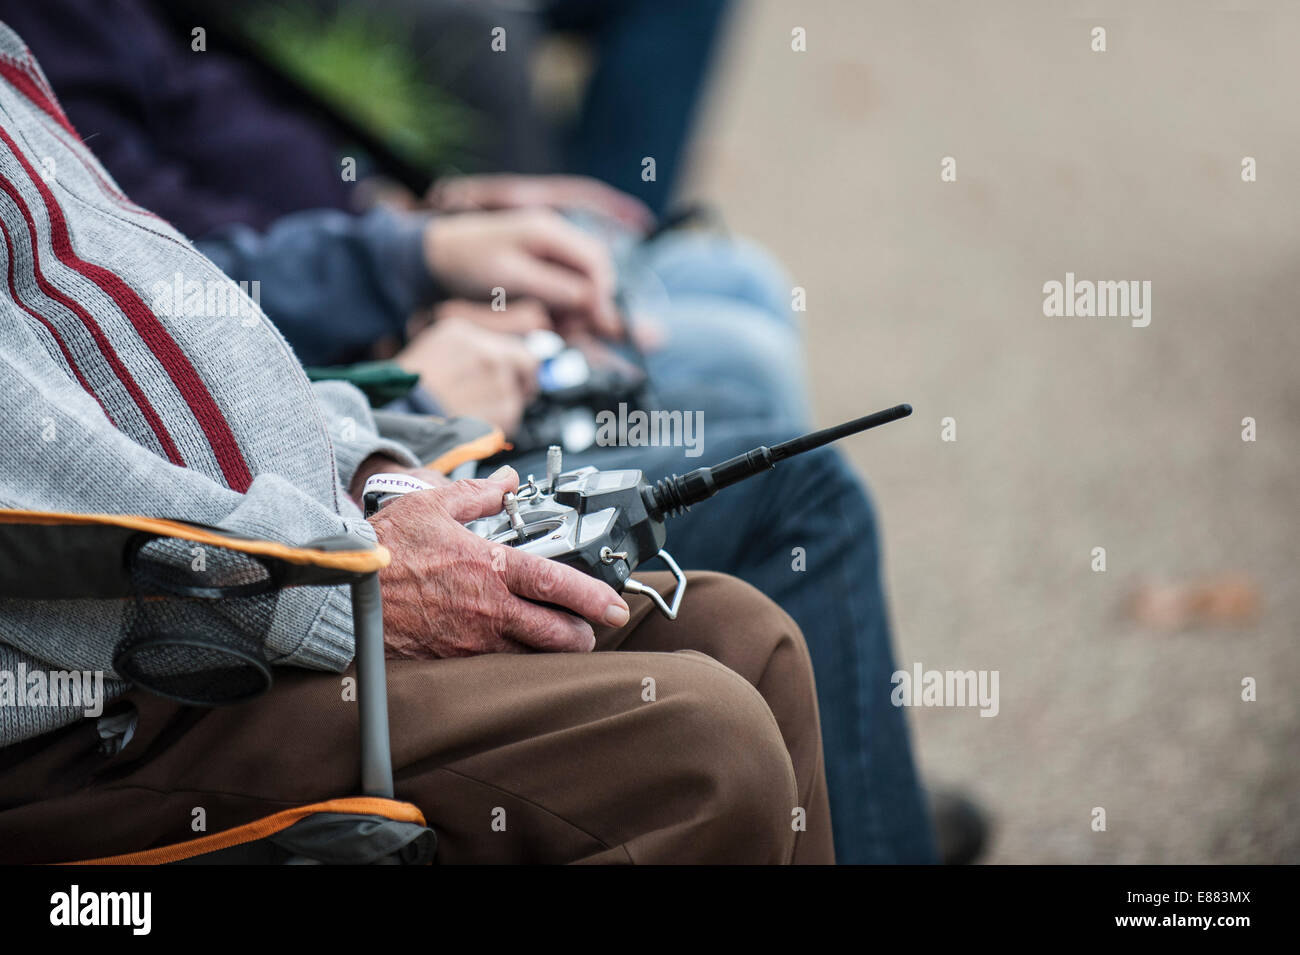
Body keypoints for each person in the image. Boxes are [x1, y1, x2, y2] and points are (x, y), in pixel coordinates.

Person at [0, 0, 939, 862]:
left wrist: (375, 464)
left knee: (744, 634)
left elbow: (148, 339)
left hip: (297, 529)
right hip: (117, 696)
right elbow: (44, 482)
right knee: (710, 739)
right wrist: (350, 565)